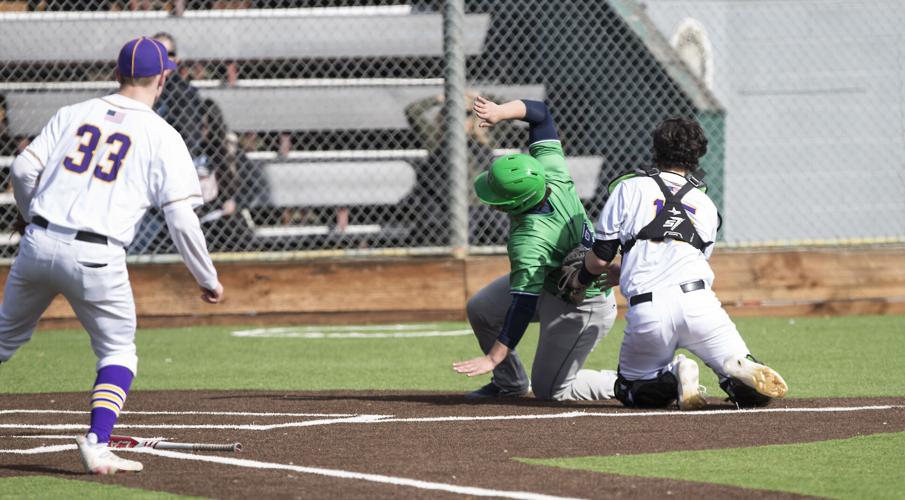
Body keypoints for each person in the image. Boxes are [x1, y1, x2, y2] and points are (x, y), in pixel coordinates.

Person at [0, 37, 224, 473]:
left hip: (39, 242)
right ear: (162, 79)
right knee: (118, 352)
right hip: (97, 256)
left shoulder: (73, 113)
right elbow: (181, 219)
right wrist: (207, 278)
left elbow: (24, 168)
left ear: (117, 73)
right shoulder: (163, 135)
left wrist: (33, 219)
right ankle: (97, 443)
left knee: (4, 340)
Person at [570, 117, 788, 410]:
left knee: (631, 389)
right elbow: (678, 260)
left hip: (650, 310)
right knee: (753, 395)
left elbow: (600, 257)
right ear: (698, 154)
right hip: (701, 304)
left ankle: (674, 376)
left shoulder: (629, 188)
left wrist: (579, 281)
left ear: (656, 149)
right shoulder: (707, 204)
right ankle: (736, 370)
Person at [452, 96, 618, 401]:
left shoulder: (529, 239)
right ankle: (510, 383)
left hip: (582, 303)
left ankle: (638, 379)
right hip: (553, 280)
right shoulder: (551, 172)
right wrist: (500, 112)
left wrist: (493, 357)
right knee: (482, 309)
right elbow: (540, 114)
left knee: (552, 391)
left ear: (514, 204)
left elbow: (523, 305)